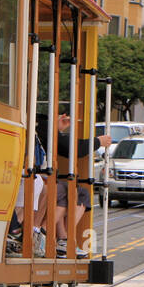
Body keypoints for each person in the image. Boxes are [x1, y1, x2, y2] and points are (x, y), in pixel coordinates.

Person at [54, 110, 110, 257]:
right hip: (43, 178)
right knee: (66, 193)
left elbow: (60, 144)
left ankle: (64, 240)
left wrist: (58, 128)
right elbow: (71, 149)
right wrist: (98, 142)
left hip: (46, 178)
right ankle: (63, 240)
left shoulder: (43, 127)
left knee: (78, 192)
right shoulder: (42, 126)